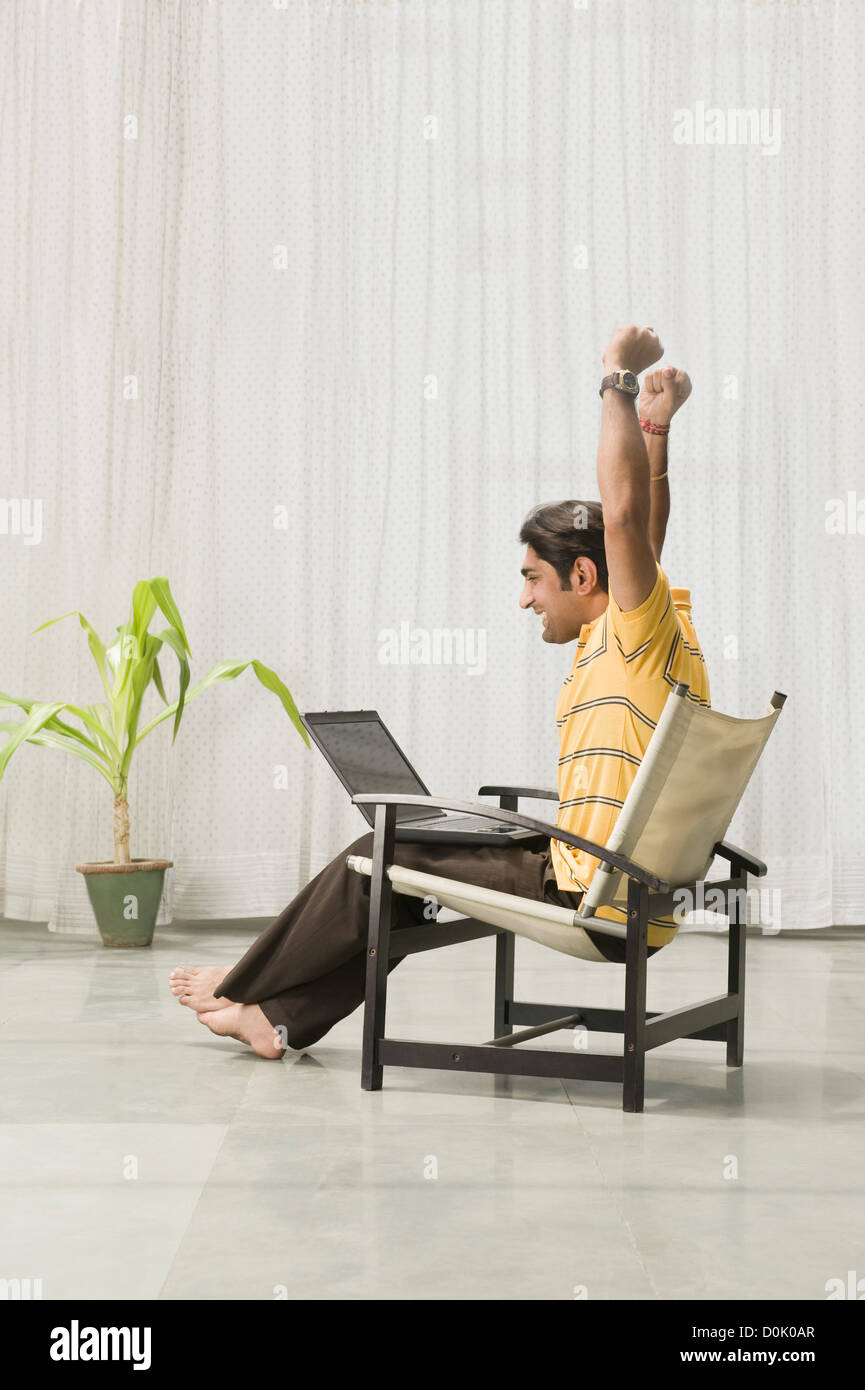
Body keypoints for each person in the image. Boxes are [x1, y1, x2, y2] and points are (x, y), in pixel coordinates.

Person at [170, 324, 710, 1058]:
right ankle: (278, 1018)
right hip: (633, 894)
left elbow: (622, 519)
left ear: (583, 577)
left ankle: (240, 984)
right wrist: (653, 427)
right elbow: (642, 527)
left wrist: (614, 375)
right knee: (405, 866)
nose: (524, 601)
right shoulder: (645, 630)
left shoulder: (630, 635)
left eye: (531, 579)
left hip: (592, 895)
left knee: (379, 848)